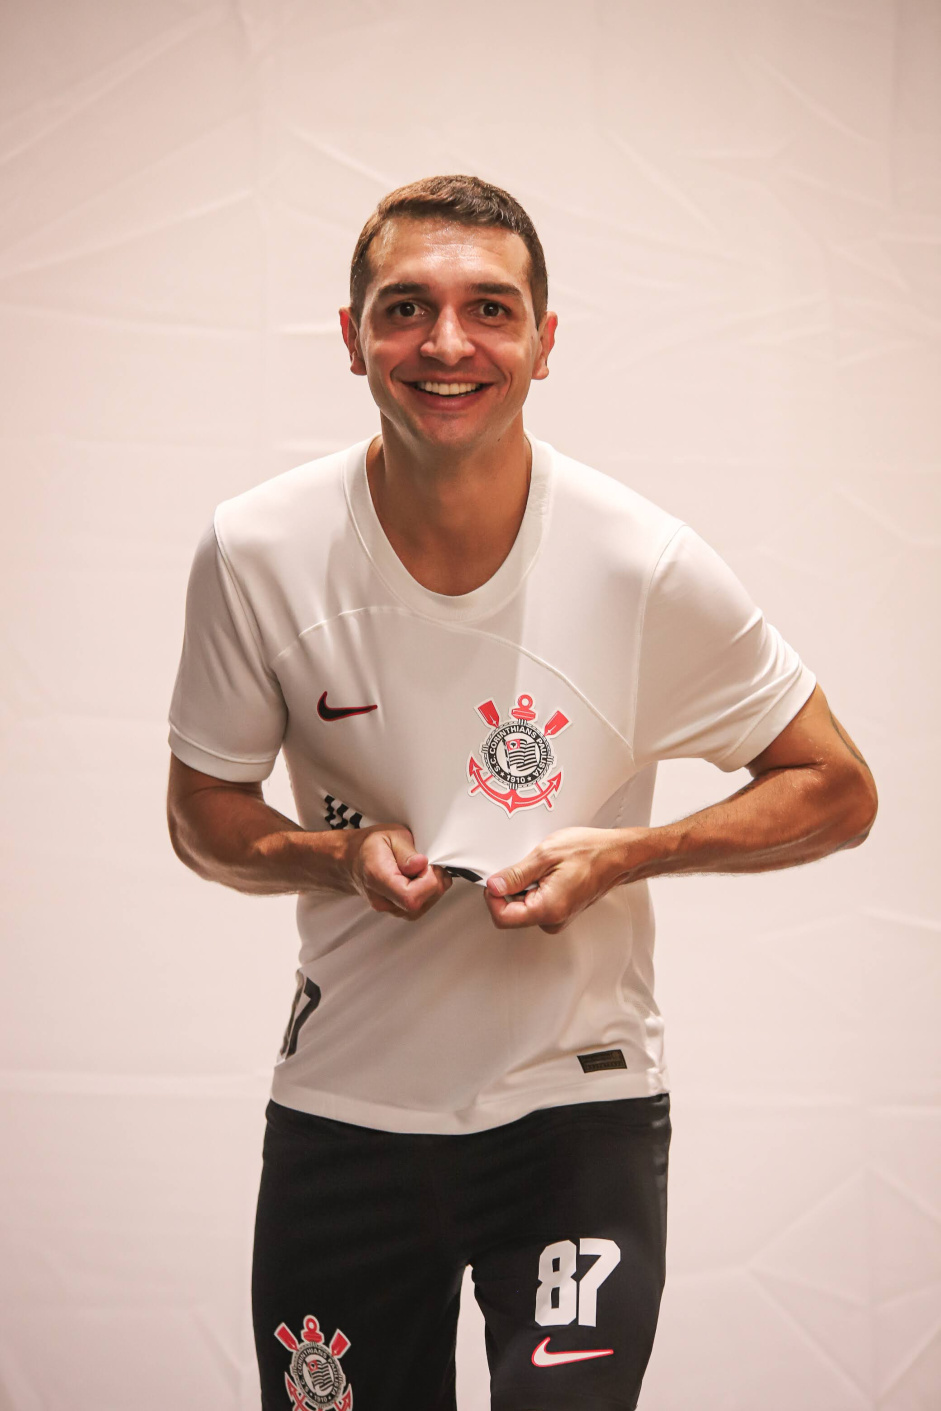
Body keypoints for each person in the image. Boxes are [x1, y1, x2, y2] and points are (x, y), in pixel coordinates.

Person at [166, 174, 877, 1411]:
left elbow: (834, 787)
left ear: (546, 344)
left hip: (574, 1115)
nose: (446, 345)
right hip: (348, 1111)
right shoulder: (255, 549)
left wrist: (626, 854)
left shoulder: (638, 560)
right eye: (405, 309)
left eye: (489, 309)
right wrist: (329, 858)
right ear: (350, 338)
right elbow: (203, 816)